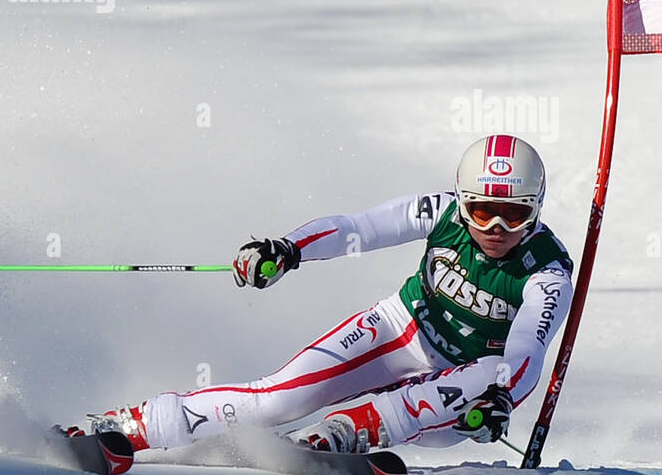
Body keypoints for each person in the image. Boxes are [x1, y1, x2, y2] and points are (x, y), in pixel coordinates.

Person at [62, 134, 573, 455]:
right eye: (484, 212)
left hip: (463, 396)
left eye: (516, 213)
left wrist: (502, 398)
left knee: (494, 371)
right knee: (281, 396)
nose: (499, 227)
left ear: (537, 210)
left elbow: (527, 350)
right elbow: (362, 228)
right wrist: (288, 249)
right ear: (462, 203)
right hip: (401, 329)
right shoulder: (439, 213)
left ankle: (349, 431)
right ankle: (133, 425)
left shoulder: (547, 272)